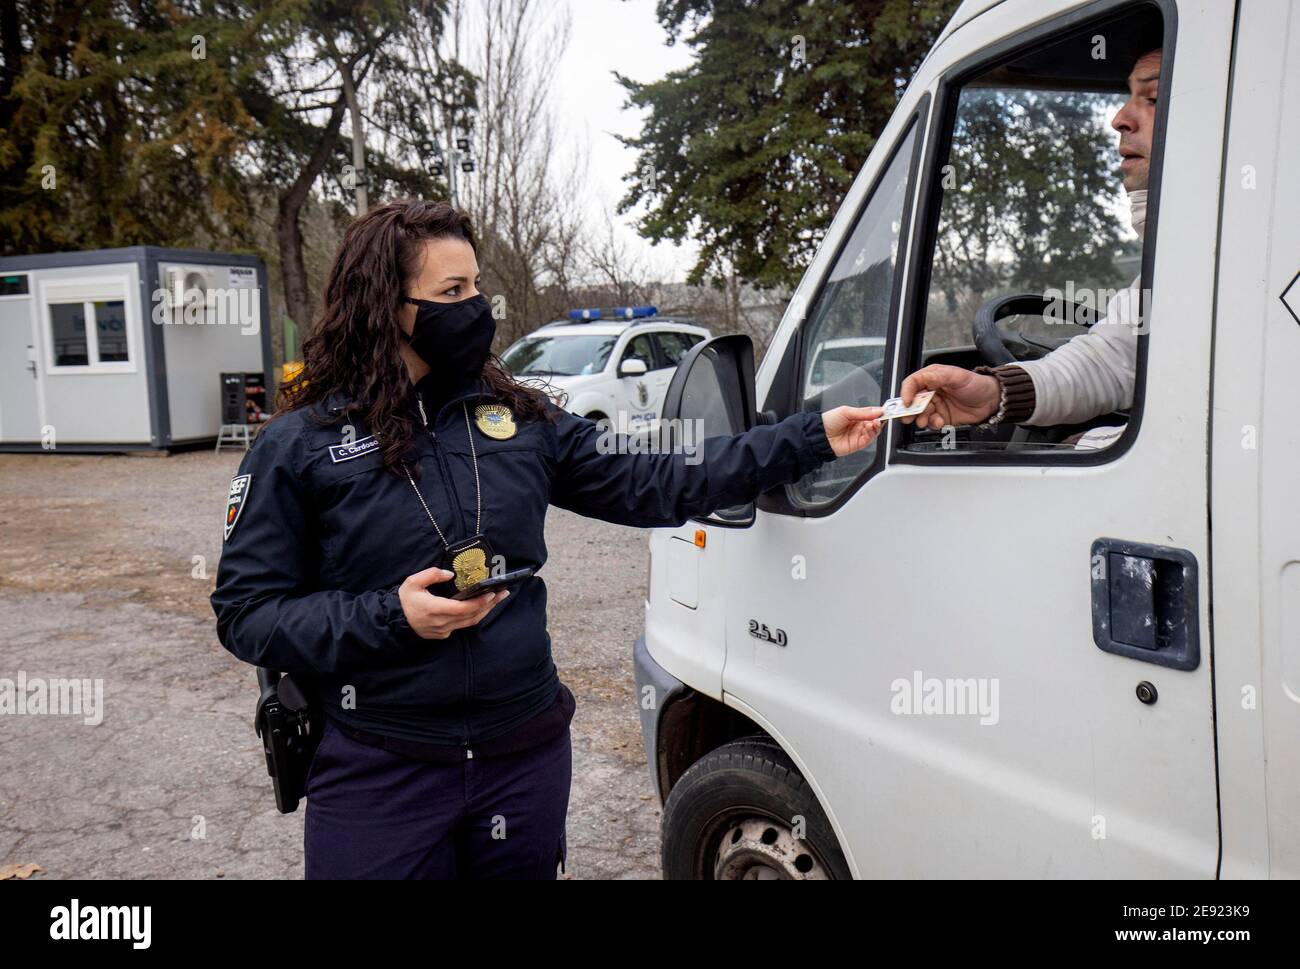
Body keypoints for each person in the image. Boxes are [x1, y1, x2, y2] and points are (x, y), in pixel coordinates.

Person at [210, 199, 884, 880]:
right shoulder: (298, 445)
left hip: (521, 760)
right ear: (386, 305)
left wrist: (813, 437)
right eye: (452, 292)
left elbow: (659, 478)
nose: (476, 306)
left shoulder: (520, 419)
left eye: (475, 286)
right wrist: (392, 616)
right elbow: (247, 614)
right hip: (381, 771)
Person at [899, 47, 1161, 440]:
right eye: (1128, 97)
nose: (1118, 119)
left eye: (1154, 98)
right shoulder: (1176, 259)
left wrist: (1086, 447)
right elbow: (1115, 361)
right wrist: (995, 393)